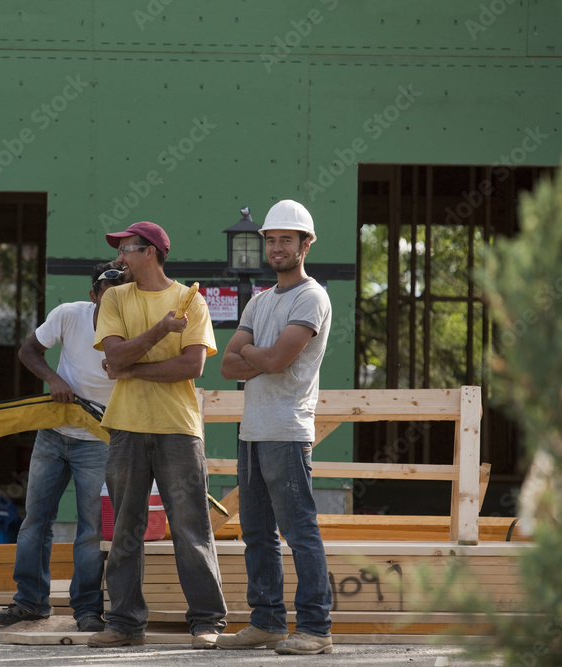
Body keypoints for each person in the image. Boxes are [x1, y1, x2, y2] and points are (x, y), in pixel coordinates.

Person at [88, 221, 227, 650]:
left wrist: (134, 369)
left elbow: (192, 367)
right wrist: (161, 332)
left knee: (190, 528)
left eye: (126, 250)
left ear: (149, 252)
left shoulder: (192, 300)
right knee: (124, 530)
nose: (119, 258)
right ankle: (125, 625)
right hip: (127, 426)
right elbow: (113, 355)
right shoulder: (113, 297)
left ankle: (207, 622)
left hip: (179, 430)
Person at [216, 200, 334, 655]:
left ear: (306, 244)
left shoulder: (312, 297)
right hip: (252, 431)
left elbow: (277, 361)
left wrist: (253, 355)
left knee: (300, 531)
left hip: (287, 431)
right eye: (271, 239)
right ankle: (266, 623)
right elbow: (227, 367)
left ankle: (316, 629)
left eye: (287, 239)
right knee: (257, 533)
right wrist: (256, 357)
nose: (277, 247)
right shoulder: (260, 300)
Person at [0, 261, 127, 634]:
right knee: (36, 520)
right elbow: (28, 350)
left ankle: (86, 609)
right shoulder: (69, 315)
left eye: (120, 293)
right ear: (93, 294)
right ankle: (31, 602)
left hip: (99, 440)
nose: (112, 299)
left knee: (90, 530)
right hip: (53, 432)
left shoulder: (134, 327)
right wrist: (53, 378)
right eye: (106, 292)